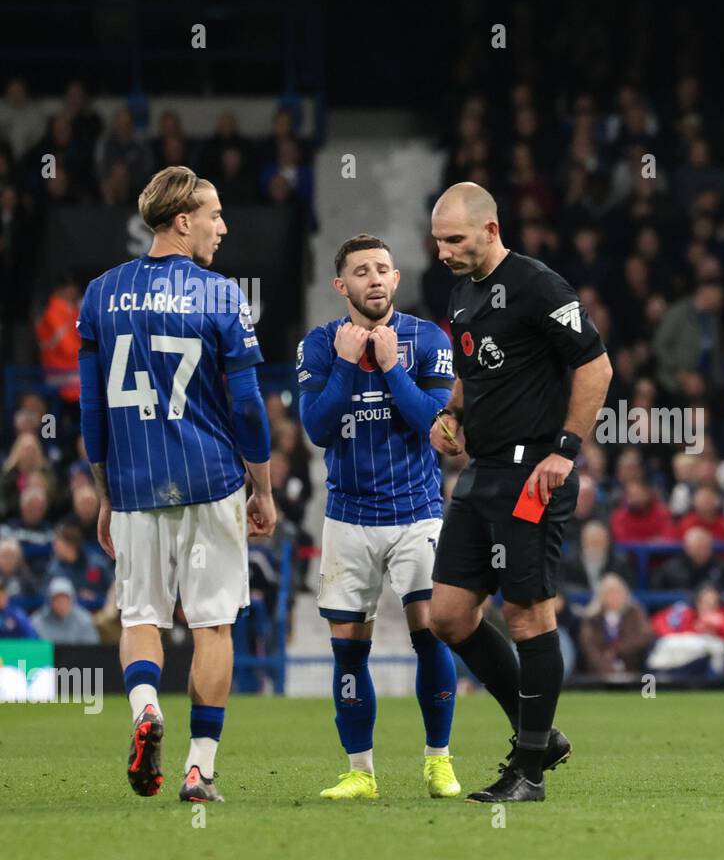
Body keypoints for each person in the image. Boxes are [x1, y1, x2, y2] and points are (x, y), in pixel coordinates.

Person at [77, 165, 277, 803]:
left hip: (135, 483)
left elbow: (89, 410)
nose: (223, 226)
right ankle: (199, 770)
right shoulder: (221, 296)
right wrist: (264, 487)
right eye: (214, 215)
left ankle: (145, 710)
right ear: (182, 221)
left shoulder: (100, 294)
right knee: (213, 625)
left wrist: (105, 494)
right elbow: (247, 407)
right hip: (211, 477)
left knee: (141, 617)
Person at [427, 182, 612, 802]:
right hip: (481, 472)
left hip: (534, 473)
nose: (445, 251)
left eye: (455, 239)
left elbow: (596, 366)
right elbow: (472, 372)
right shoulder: (461, 297)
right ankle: (541, 735)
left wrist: (565, 451)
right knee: (448, 615)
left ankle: (528, 772)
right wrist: (451, 413)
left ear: (490, 230)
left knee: (528, 614)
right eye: (438, 241)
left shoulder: (539, 285)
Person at [297, 234, 461, 801]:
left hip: (417, 512)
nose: (373, 278)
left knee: (431, 636)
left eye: (382, 269)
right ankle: (360, 771)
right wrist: (347, 365)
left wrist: (391, 369)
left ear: (395, 280)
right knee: (348, 650)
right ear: (341, 285)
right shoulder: (320, 346)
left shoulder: (427, 339)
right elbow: (317, 429)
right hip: (348, 515)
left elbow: (438, 430)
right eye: (360, 271)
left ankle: (438, 761)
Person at [578, 573, 653, 674]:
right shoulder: (592, 618)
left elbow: (645, 635)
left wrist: (617, 649)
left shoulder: (635, 613)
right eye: (610, 593)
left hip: (633, 669)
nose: (615, 597)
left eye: (618, 592)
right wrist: (607, 667)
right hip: (599, 674)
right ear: (601, 596)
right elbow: (589, 648)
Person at [32, 576, 98, 645]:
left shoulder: (85, 620)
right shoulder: (37, 621)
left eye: (65, 600)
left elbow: (91, 650)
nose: (61, 604)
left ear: (72, 600)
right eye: (57, 600)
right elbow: (33, 649)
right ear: (50, 601)